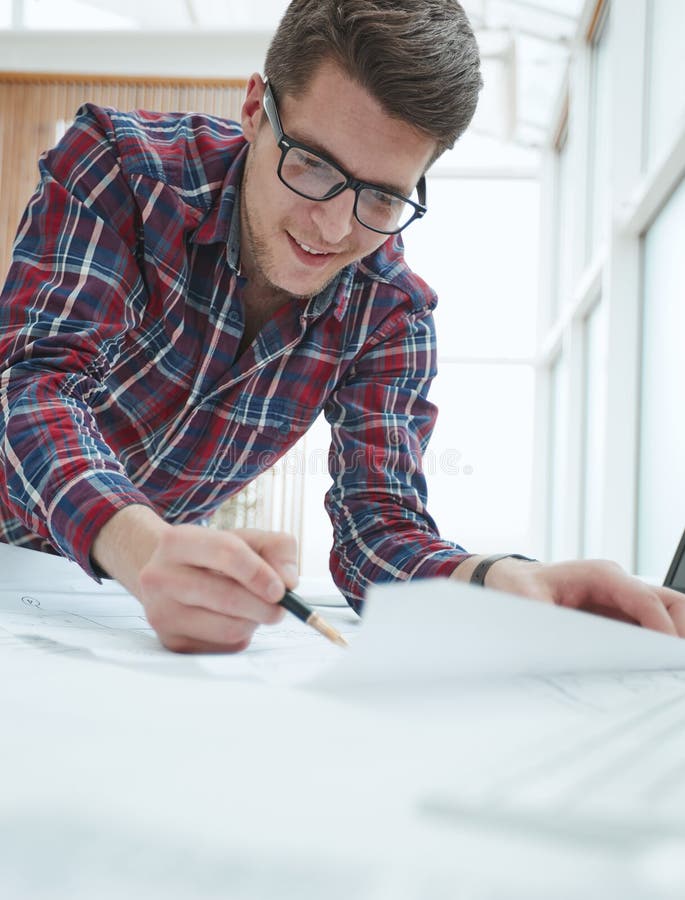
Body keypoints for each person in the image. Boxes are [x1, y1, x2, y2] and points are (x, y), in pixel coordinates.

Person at [1, 0, 683, 652]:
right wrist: (145, 550)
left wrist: (495, 581)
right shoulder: (123, 168)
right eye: (312, 164)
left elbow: (376, 529)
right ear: (252, 110)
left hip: (98, 605)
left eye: (382, 196)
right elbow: (34, 388)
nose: (331, 228)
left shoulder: (390, 312)